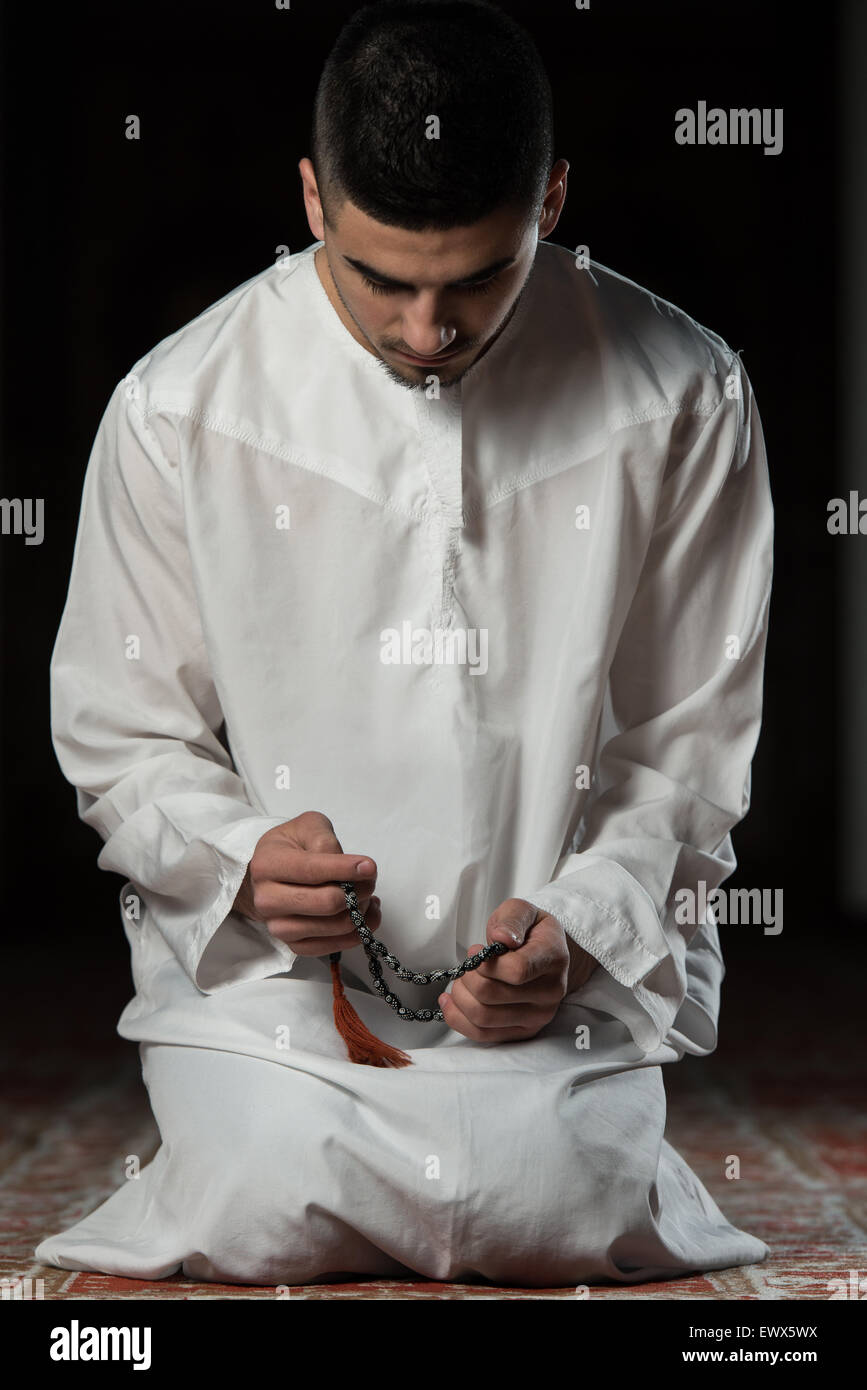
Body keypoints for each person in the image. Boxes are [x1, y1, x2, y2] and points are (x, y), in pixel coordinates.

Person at [35, 0, 774, 1288]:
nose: (427, 331)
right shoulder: (175, 405)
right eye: (382, 278)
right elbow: (122, 727)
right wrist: (239, 859)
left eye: (477, 279)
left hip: (546, 994)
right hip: (277, 996)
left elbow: (692, 746)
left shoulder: (685, 394)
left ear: (549, 201)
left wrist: (576, 930)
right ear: (314, 199)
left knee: (551, 1196)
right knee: (265, 1189)